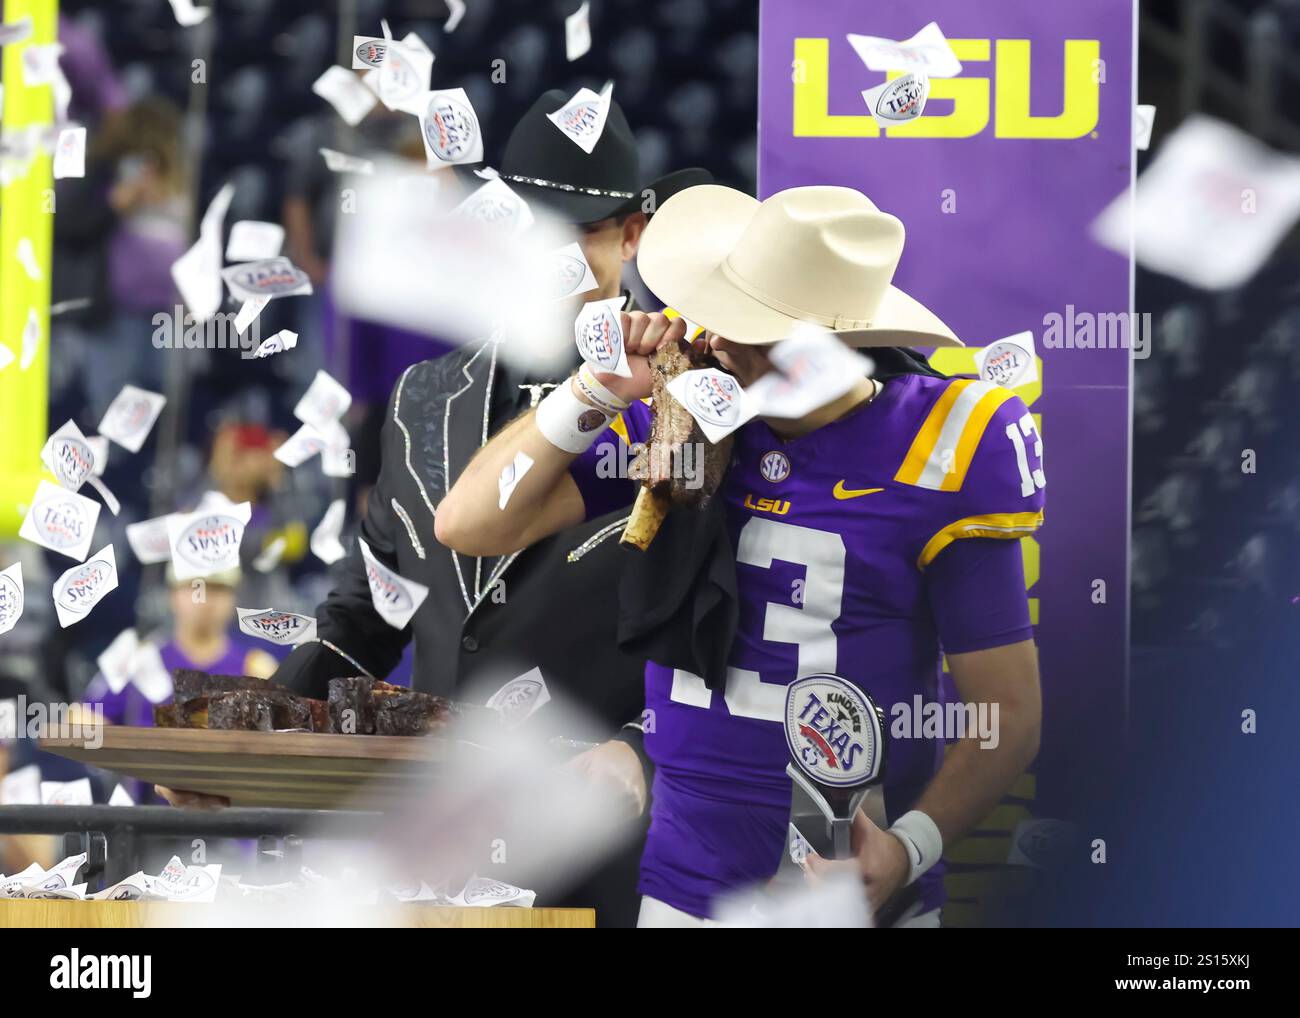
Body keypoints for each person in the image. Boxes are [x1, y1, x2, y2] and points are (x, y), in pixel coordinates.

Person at [164, 91, 711, 928]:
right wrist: (246, 739)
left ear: (633, 235)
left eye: (581, 231)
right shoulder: (425, 397)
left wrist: (639, 749)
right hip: (444, 853)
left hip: (609, 838)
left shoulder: (680, 404)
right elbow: (369, 610)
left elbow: (718, 622)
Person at [434, 184, 1046, 927]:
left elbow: (1008, 711)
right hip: (685, 886)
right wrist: (591, 390)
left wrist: (910, 847)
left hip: (847, 890)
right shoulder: (686, 416)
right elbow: (467, 525)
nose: (720, 340)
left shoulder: (944, 446)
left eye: (755, 328)